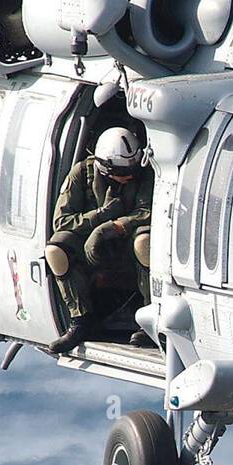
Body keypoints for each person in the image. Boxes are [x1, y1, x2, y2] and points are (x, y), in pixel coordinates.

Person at [46, 127, 153, 354]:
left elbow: (147, 210)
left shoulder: (144, 174)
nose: (129, 176)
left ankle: (149, 315)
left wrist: (115, 226)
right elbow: (62, 222)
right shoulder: (81, 174)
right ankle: (80, 319)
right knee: (56, 250)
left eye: (133, 170)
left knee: (144, 242)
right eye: (121, 171)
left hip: (126, 240)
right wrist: (99, 216)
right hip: (89, 248)